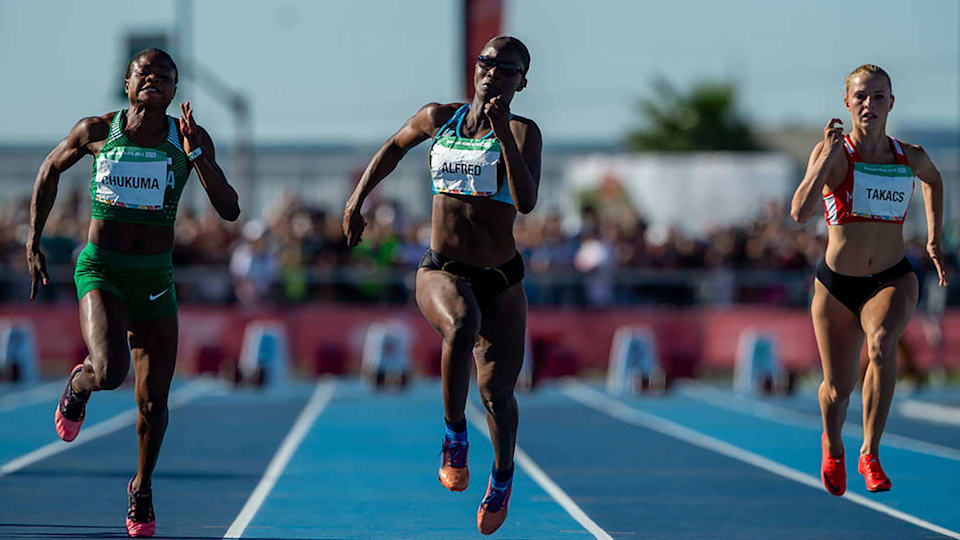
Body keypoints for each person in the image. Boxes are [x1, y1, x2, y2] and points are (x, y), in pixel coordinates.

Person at [26, 48, 239, 537]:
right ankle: (80, 385)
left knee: (153, 404)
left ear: (174, 91)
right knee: (110, 371)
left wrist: (197, 155)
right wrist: (33, 242)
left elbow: (229, 209)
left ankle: (141, 489)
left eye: (165, 76)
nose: (154, 80)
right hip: (102, 269)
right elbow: (48, 170)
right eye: (144, 73)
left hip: (155, 279)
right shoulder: (98, 131)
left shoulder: (188, 140)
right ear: (126, 84)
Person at [343, 36, 541, 535]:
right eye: (486, 62)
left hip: (501, 277)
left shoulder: (520, 131)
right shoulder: (439, 118)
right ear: (475, 69)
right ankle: (454, 435)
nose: (493, 72)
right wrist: (357, 200)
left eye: (507, 68)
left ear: (522, 81)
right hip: (442, 268)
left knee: (498, 394)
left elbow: (526, 201)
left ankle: (502, 476)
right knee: (460, 324)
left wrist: (499, 133)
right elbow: (393, 148)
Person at [790, 64, 947, 496]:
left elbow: (934, 179)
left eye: (878, 97)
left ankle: (870, 452)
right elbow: (800, 211)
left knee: (881, 345)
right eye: (860, 96)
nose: (869, 104)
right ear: (847, 103)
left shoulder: (908, 156)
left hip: (892, 278)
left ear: (891, 103)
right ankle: (835, 445)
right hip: (838, 285)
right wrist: (823, 158)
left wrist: (934, 237)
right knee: (838, 390)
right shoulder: (835, 155)